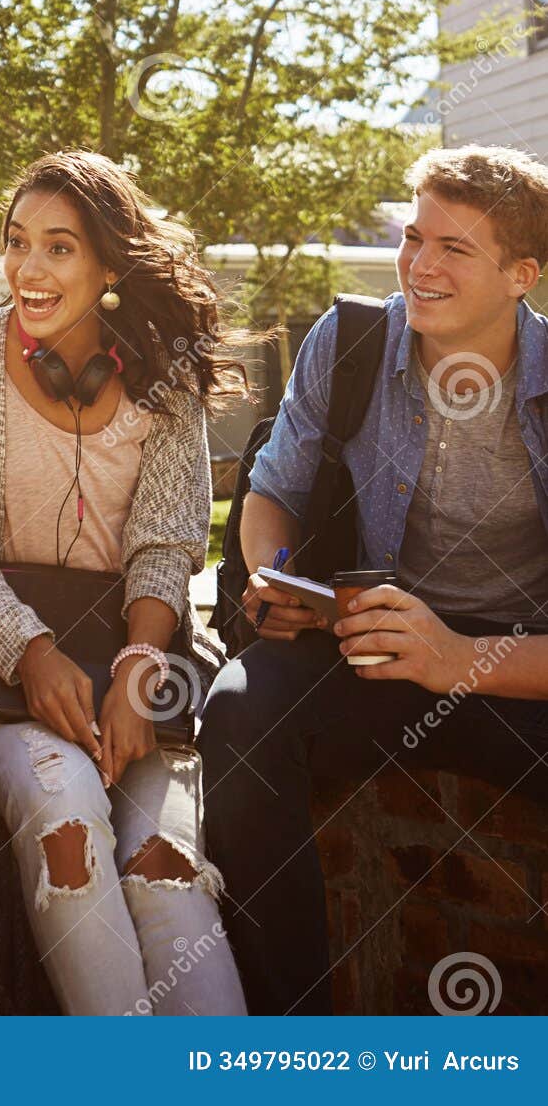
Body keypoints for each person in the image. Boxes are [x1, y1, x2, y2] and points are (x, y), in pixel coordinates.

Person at [198, 144, 548, 1015]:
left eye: (453, 249)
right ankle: (293, 1035)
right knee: (240, 711)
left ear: (521, 274)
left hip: (514, 669)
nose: (418, 266)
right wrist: (275, 578)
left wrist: (457, 656)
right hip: (370, 653)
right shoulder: (351, 339)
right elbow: (272, 489)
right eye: (411, 238)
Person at [0, 150, 249, 1016]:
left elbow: (167, 545)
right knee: (66, 821)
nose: (28, 266)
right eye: (17, 241)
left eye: (59, 248)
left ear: (106, 266)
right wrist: (30, 652)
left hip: (133, 677)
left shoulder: (165, 376)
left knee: (166, 874)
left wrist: (137, 669)